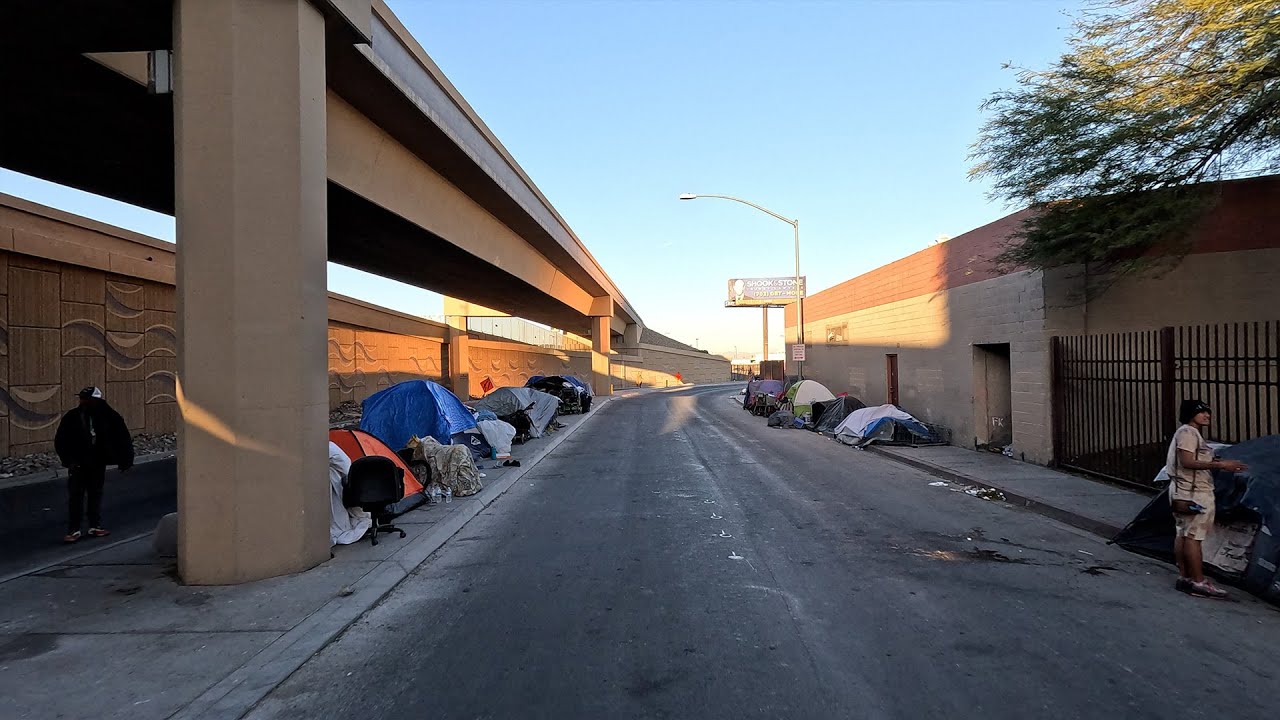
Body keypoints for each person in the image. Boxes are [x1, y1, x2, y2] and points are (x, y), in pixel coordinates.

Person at [1166, 399, 1247, 598]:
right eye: (1201, 412)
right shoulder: (1188, 433)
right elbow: (1187, 461)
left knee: (1183, 534)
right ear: (1190, 414)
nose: (1207, 415)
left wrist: (1216, 461)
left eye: (1207, 412)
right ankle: (1198, 582)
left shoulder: (1186, 433)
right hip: (1194, 492)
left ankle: (1185, 577)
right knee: (1194, 537)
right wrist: (1221, 465)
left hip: (1182, 490)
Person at [53, 386, 134, 543]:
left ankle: (94, 525)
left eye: (87, 399)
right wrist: (69, 460)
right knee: (76, 496)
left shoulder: (109, 416)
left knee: (95, 494)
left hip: (97, 461)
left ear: (96, 400)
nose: (83, 402)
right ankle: (74, 529)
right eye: (82, 399)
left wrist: (125, 460)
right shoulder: (73, 416)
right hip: (78, 463)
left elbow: (122, 438)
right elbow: (61, 440)